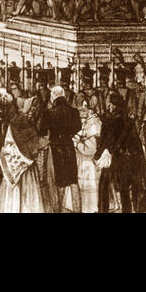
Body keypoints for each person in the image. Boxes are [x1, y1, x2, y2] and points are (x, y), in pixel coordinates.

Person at [44, 85, 81, 213]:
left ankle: (57, 210)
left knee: (58, 181)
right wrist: (68, 133)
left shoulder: (49, 112)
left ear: (53, 96)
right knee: (73, 180)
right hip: (69, 146)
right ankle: (78, 210)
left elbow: (42, 130)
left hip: (55, 148)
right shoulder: (73, 111)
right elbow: (78, 127)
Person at [72, 98, 102, 213]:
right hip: (83, 161)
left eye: (85, 108)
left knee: (91, 188)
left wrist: (77, 144)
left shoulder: (94, 123)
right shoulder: (85, 122)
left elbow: (90, 150)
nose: (82, 111)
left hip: (90, 163)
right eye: (80, 109)